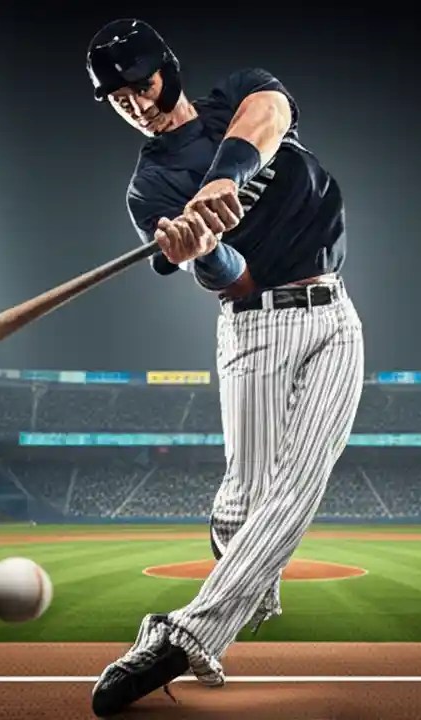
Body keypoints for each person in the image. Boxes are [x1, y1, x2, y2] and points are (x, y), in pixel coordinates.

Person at [84, 18, 365, 716]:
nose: (133, 103)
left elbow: (269, 114)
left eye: (140, 84)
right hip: (255, 329)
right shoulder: (147, 191)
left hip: (336, 316)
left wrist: (221, 184)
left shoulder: (235, 97)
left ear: (167, 69)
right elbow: (234, 281)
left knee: (298, 487)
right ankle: (235, 547)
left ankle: (178, 636)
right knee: (246, 513)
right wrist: (202, 248)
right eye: (116, 97)